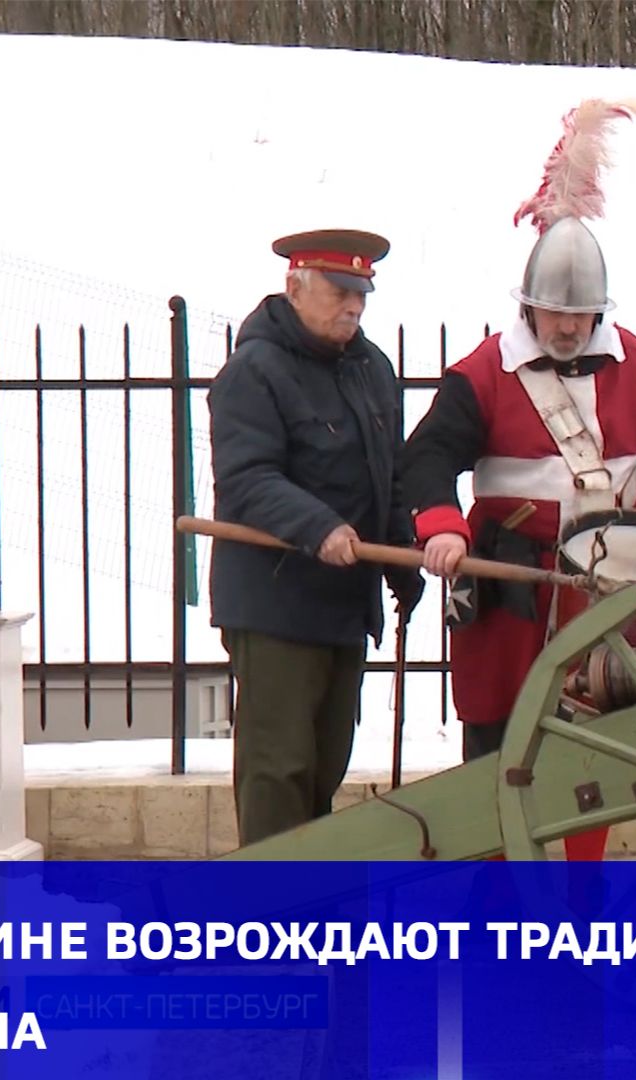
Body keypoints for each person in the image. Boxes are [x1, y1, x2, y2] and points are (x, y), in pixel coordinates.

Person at [402, 210, 636, 863]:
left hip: (605, 587)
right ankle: (496, 897)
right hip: (516, 583)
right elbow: (424, 459)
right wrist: (442, 525)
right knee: (501, 734)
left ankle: (579, 893)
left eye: (578, 314)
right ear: (527, 310)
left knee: (597, 736)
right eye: (551, 313)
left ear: (598, 314)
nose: (564, 327)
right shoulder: (482, 373)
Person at [206, 228, 425, 848]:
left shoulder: (370, 367)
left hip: (342, 606)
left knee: (326, 765)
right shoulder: (255, 371)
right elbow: (247, 480)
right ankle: (268, 919)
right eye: (339, 291)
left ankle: (316, 911)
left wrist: (403, 567)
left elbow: (387, 477)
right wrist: (318, 527)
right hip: (277, 603)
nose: (353, 306)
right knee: (280, 771)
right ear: (295, 286)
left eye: (361, 294)